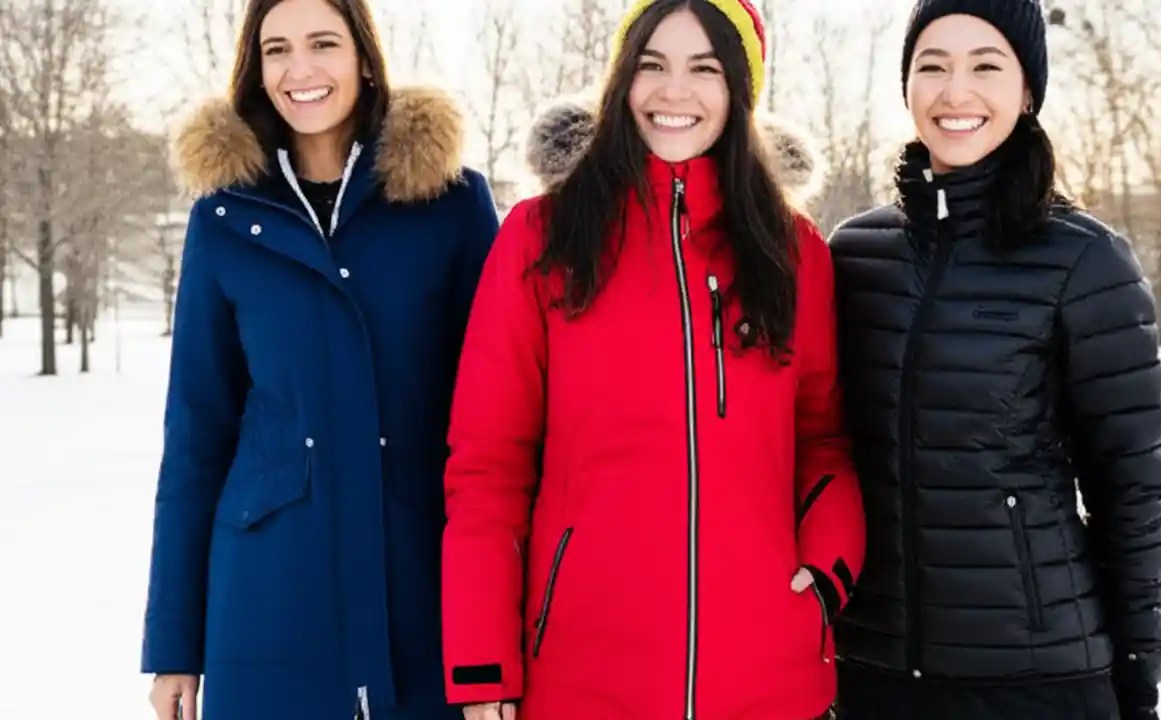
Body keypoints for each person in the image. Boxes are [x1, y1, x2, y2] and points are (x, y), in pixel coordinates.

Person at [439, 1, 866, 718]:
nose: (675, 92)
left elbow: (825, 441)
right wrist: (485, 668)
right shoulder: (541, 238)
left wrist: (826, 574)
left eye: (705, 69)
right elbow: (488, 465)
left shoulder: (793, 253)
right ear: (620, 83)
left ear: (739, 91)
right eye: (652, 66)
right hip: (582, 680)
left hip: (769, 679)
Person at [139, 0, 498, 717]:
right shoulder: (223, 218)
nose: (299, 70)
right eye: (276, 50)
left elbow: (496, 419)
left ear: (365, 58)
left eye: (322, 43)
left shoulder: (450, 205)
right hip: (268, 595)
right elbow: (198, 434)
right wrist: (175, 643)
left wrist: (497, 635)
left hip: (421, 585)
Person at [828, 1, 1161, 718]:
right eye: (933, 66)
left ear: (1027, 91)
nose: (957, 92)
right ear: (907, 86)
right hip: (870, 670)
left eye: (986, 65)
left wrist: (1138, 675)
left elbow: (1130, 495)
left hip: (1034, 677)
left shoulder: (1083, 259)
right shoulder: (855, 255)